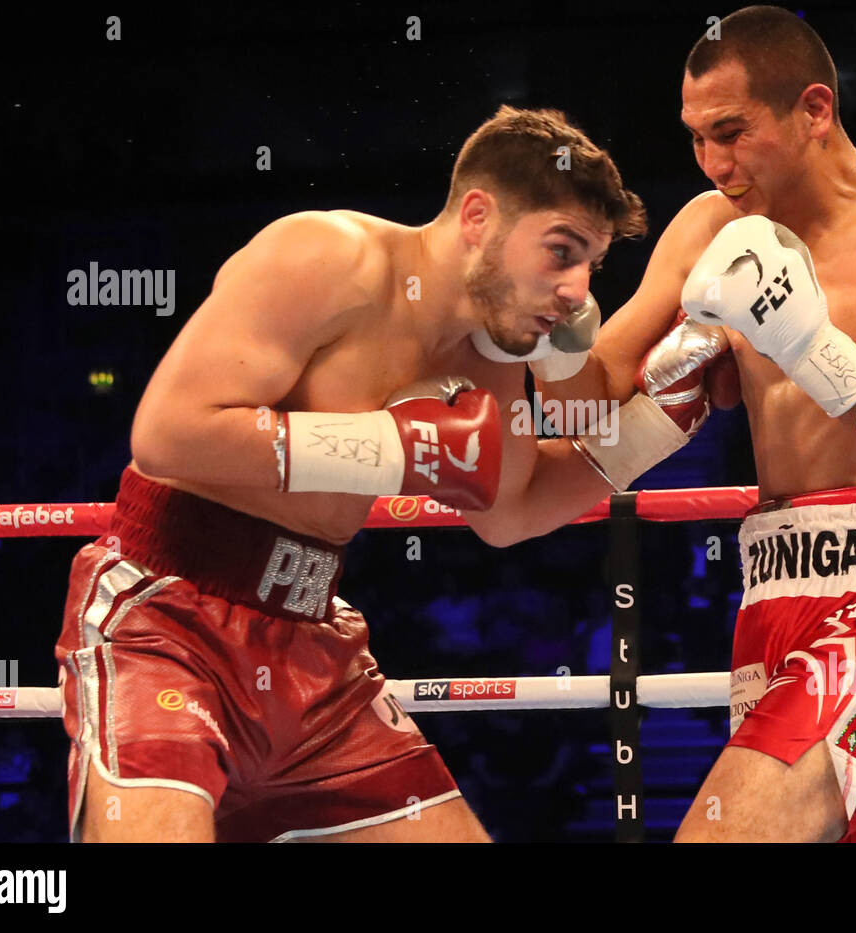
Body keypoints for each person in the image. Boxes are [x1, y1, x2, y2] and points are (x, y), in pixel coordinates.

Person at [55, 105, 726, 843]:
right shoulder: (327, 257)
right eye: (561, 251)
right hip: (169, 618)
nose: (576, 290)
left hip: (312, 644)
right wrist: (388, 448)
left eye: (591, 265)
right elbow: (166, 435)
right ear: (478, 215)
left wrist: (658, 427)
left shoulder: (491, 362)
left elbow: (509, 514)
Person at [554, 6, 856, 841]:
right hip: (772, 592)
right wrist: (538, 333)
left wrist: (805, 342)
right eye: (695, 137)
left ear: (815, 110)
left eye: (732, 131)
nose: (713, 163)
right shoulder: (708, 227)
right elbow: (602, 379)